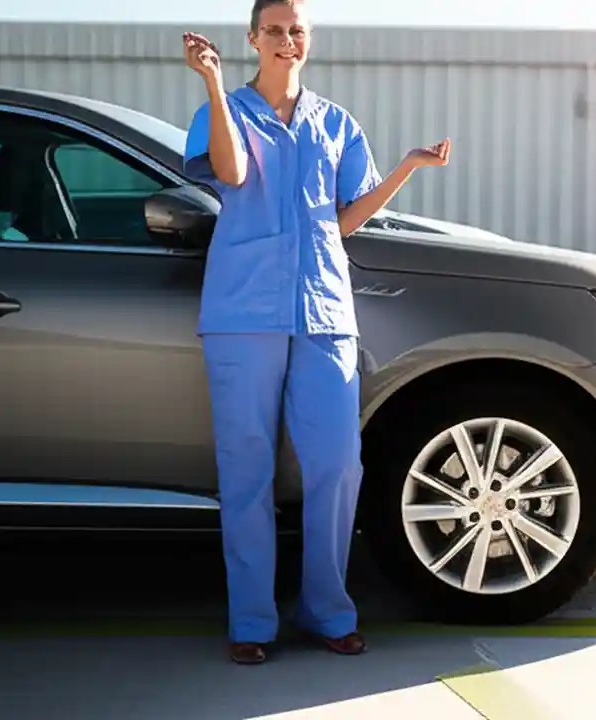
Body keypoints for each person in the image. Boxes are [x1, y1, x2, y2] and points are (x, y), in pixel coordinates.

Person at [180, 0, 450, 665]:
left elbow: (344, 219)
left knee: (337, 462)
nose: (286, 40)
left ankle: (328, 609)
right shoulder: (224, 109)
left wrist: (406, 167)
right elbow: (232, 174)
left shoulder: (336, 123)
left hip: (324, 312)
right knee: (246, 466)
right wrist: (213, 82)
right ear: (253, 38)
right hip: (243, 313)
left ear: (310, 39)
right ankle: (251, 621)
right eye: (274, 30)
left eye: (296, 30)